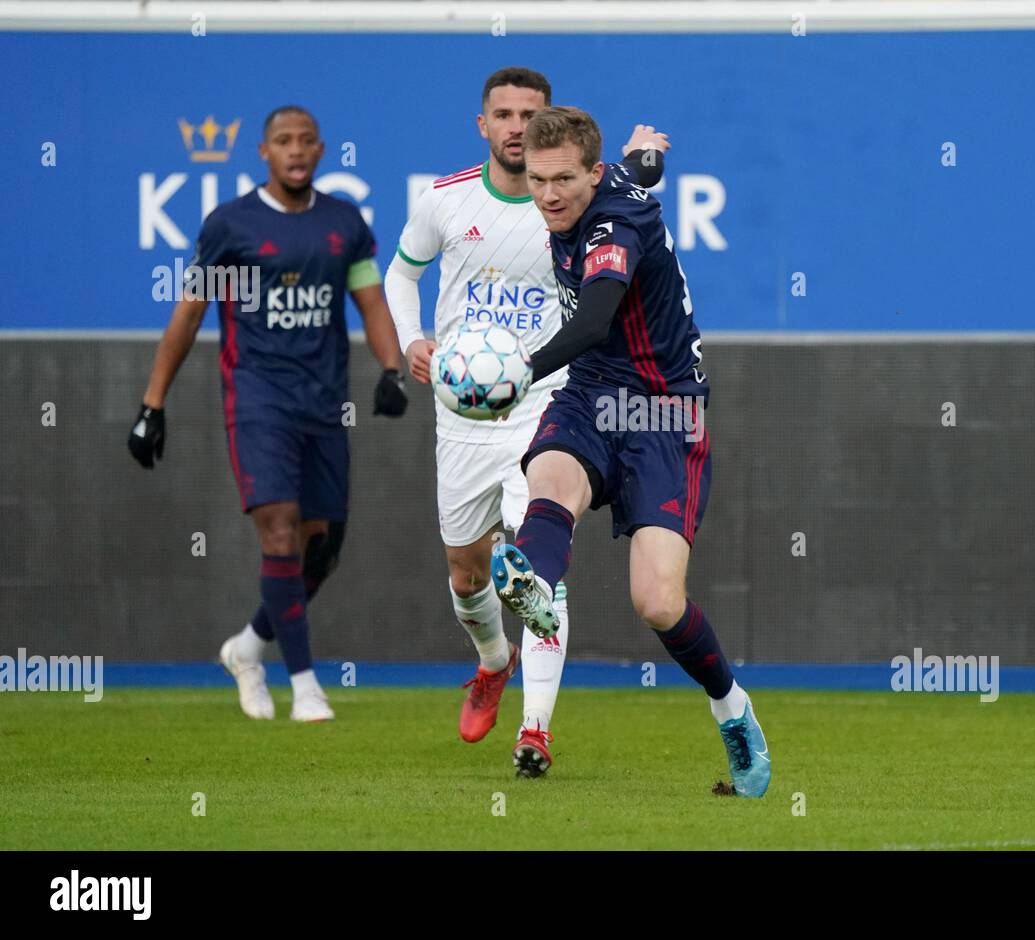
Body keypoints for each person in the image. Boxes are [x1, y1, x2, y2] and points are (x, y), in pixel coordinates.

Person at [384, 67, 667, 776]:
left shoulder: (570, 205)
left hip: (545, 404)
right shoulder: (444, 202)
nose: (516, 126)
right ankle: (492, 661)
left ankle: (534, 730)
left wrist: (640, 162)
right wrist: (412, 340)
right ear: (483, 124)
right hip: (461, 417)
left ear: (550, 128)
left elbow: (617, 196)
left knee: (542, 566)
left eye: (529, 114)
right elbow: (399, 274)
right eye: (503, 114)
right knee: (465, 571)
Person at [490, 106, 770, 796]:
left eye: (563, 181)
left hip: (663, 411)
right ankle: (537, 588)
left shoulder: (617, 223)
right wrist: (647, 154)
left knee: (657, 601)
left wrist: (520, 368)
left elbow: (593, 319)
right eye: (536, 179)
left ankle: (732, 707)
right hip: (591, 394)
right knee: (550, 477)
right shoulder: (600, 179)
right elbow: (636, 171)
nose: (548, 195)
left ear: (592, 174)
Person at [128, 106, 408, 723]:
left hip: (324, 406)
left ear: (322, 148)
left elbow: (371, 301)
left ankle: (249, 647)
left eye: (307, 140)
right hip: (258, 400)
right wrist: (152, 404)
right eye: (284, 141)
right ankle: (306, 685)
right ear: (263, 152)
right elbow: (188, 314)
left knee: (321, 550)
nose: (296, 150)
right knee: (279, 527)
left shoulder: (344, 223)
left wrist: (391, 370)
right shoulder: (231, 226)